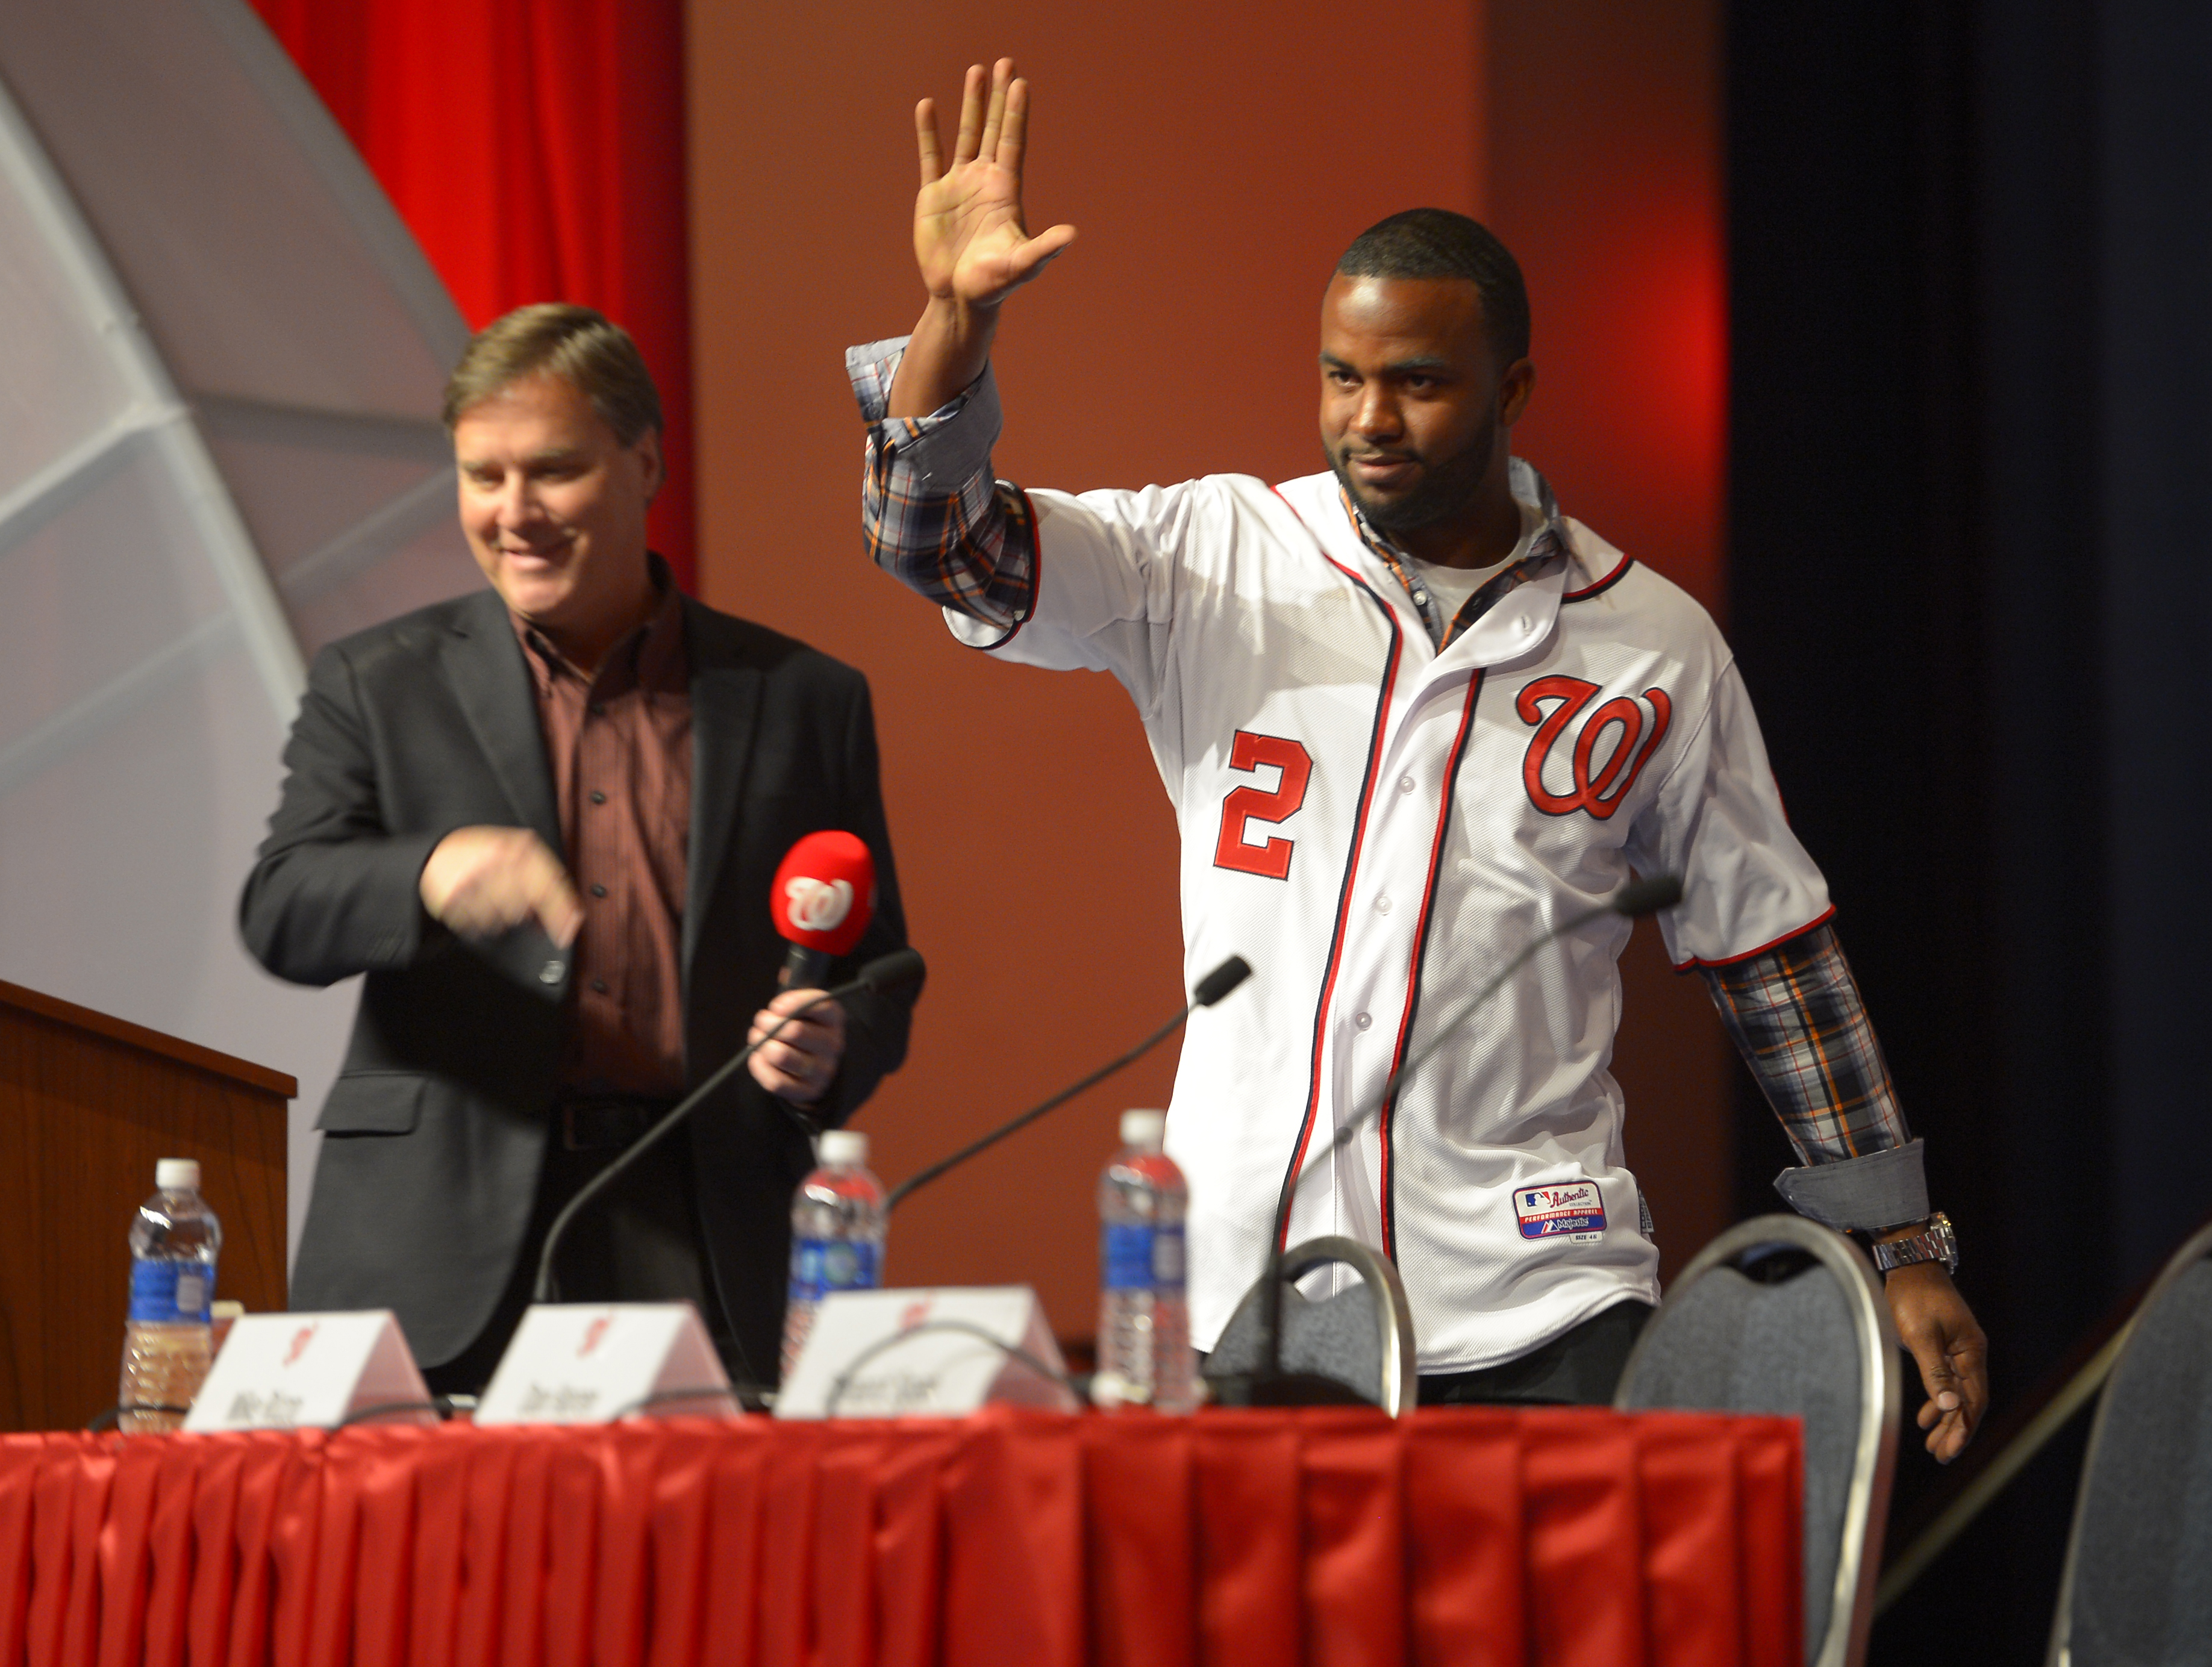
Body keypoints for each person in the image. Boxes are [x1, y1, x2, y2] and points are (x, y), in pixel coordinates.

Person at [851, 61, 1985, 1454]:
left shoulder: (1651, 644)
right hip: (1247, 1295)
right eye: (1341, 376)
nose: (1367, 421)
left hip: (1540, 1296)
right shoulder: (1216, 555)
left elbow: (1774, 955)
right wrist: (952, 328)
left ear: (1514, 386)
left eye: (1416, 383)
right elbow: (940, 546)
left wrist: (1899, 1241)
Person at [242, 304, 916, 1392]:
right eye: (482, 477)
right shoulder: (378, 683)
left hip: (705, 1224)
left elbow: (881, 966)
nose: (513, 514)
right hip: (434, 1248)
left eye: (550, 471)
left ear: (644, 462)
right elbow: (281, 906)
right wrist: (427, 870)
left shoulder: (803, 700)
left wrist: (836, 1039)